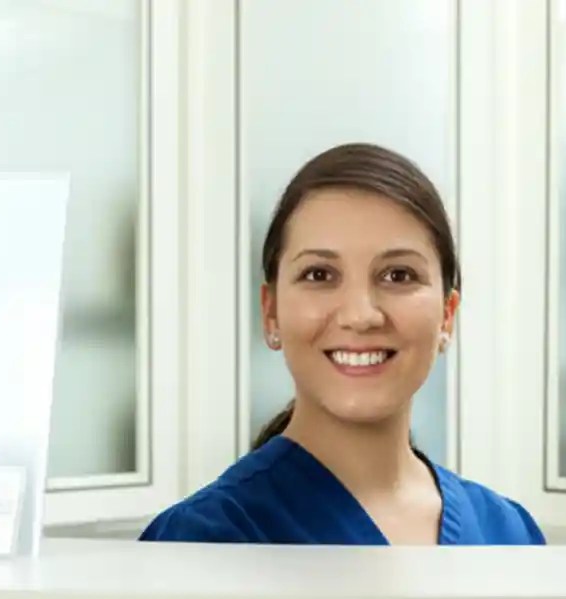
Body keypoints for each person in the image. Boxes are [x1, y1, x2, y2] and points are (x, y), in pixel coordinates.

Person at [140, 143, 545, 545]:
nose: (360, 315)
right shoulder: (203, 540)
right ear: (271, 312)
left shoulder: (508, 533)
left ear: (447, 314)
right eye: (319, 275)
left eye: (398, 275)